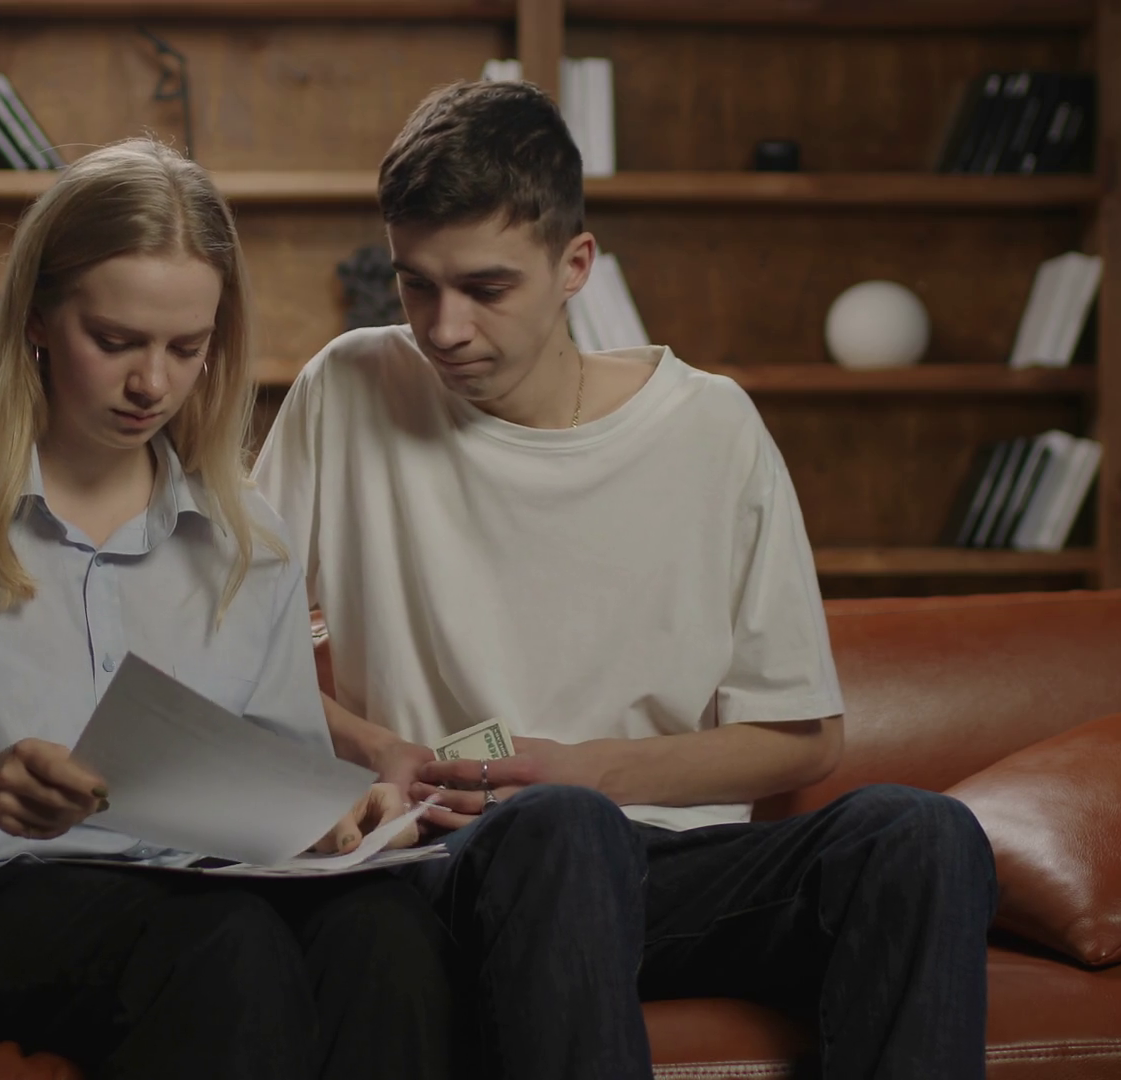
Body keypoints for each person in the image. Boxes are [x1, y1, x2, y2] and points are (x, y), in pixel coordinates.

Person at [253, 81, 1000, 1080]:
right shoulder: (348, 387)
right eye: (415, 284)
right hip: (456, 864)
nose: (442, 326)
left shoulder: (711, 426)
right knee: (560, 829)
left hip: (670, 870)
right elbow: (230, 648)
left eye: (484, 287)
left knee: (923, 833)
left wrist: (590, 770)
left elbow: (805, 736)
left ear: (575, 266)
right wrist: (379, 747)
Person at [0, 137, 456, 1080]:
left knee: (386, 929)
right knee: (220, 943)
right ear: (34, 319)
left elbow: (282, 784)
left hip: (196, 892)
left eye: (188, 348)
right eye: (116, 343)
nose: (153, 383)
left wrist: (341, 816)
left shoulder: (248, 539)